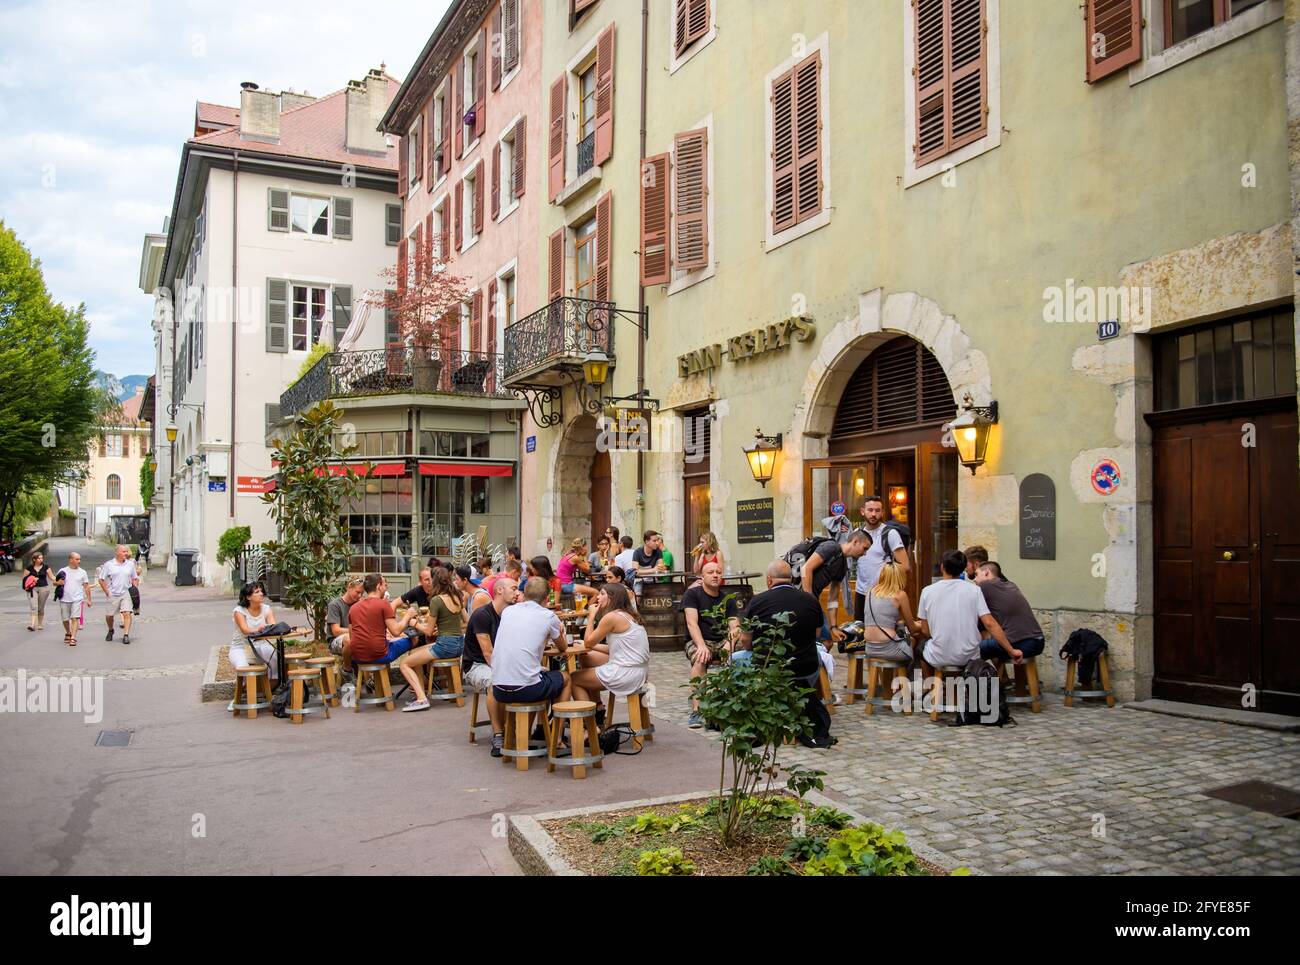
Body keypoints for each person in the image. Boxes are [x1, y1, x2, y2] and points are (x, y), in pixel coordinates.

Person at [737, 560, 833, 748]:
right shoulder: (810, 600)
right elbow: (816, 636)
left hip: (769, 671)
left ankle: (747, 713)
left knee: (736, 660)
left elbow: (745, 641)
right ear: (790, 578)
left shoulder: (757, 602)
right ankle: (810, 706)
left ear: (769, 580)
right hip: (806, 668)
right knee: (820, 656)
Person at [918, 550, 1019, 673]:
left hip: (938, 656)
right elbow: (990, 623)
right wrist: (1011, 650)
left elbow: (925, 630)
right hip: (970, 656)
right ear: (963, 569)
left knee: (920, 648)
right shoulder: (974, 590)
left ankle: (931, 687)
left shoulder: (927, 591)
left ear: (942, 567)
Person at [491, 577, 570, 716]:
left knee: (542, 676)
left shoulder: (508, 612)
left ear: (524, 594)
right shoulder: (548, 616)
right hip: (527, 689)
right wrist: (562, 632)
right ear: (546, 598)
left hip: (498, 689)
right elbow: (563, 648)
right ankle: (557, 735)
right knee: (565, 677)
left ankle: (534, 730)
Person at [399, 567, 469, 711]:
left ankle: (421, 699)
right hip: (459, 645)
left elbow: (429, 631)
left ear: (436, 581)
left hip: (444, 646)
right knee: (414, 653)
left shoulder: (437, 600)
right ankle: (431, 692)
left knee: (404, 664)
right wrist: (451, 626)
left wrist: (413, 623)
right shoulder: (457, 597)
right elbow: (467, 621)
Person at [569, 582, 650, 706]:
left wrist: (591, 616)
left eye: (602, 594)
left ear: (612, 598)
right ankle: (598, 706)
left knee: (573, 679)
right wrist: (590, 646)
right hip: (640, 671)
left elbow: (589, 642)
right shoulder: (629, 615)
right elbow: (618, 648)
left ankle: (588, 722)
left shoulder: (612, 617)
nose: (598, 597)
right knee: (586, 657)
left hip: (626, 673)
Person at [682, 560, 741, 728]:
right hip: (699, 639)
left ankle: (734, 707)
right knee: (700, 659)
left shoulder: (728, 599)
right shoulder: (692, 595)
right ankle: (697, 710)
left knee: (741, 657)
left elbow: (735, 627)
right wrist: (701, 645)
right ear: (702, 576)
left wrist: (730, 644)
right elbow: (692, 623)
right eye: (710, 572)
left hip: (722, 640)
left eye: (718, 572)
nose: (715, 575)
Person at [465, 577, 520, 756]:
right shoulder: (482, 614)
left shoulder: (511, 614)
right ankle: (498, 734)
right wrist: (508, 672)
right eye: (513, 588)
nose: (517, 593)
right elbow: (488, 653)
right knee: (494, 682)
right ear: (499, 591)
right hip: (476, 664)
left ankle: (517, 730)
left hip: (500, 662)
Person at [800, 529, 872, 644]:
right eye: (865, 548)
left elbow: (832, 598)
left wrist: (833, 626)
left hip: (812, 603)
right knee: (810, 642)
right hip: (800, 599)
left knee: (827, 642)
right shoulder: (831, 547)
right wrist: (809, 601)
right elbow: (805, 569)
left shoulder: (843, 566)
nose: (865, 553)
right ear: (855, 541)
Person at [974, 562, 1045, 663]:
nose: (974, 579)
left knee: (970, 650)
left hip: (1022, 643)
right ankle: (998, 678)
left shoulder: (985, 586)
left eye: (977, 574)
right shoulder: (1010, 585)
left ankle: (963, 678)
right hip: (1037, 642)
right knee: (990, 645)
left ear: (986, 573)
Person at [853, 495, 910, 620]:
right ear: (863, 511)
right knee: (861, 633)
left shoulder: (890, 533)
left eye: (877, 511)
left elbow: (905, 566)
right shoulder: (857, 532)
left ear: (883, 512)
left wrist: (887, 582)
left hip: (883, 594)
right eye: (870, 510)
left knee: (883, 633)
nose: (874, 514)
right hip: (861, 593)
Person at [349, 573, 419, 669]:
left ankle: (379, 681)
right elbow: (396, 631)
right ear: (378, 586)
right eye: (384, 585)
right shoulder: (383, 604)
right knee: (414, 639)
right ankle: (412, 672)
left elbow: (351, 635)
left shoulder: (353, 607)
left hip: (357, 656)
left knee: (386, 643)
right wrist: (408, 615)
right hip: (380, 655)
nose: (386, 589)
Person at [862, 561, 922, 662]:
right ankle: (907, 676)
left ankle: (889, 677)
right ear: (900, 577)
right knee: (915, 639)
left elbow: (884, 618)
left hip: (869, 647)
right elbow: (912, 628)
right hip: (889, 648)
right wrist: (924, 624)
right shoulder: (899, 595)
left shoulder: (869, 592)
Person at [230, 581, 279, 682]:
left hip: (261, 645)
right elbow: (245, 630)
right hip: (241, 647)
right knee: (244, 667)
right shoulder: (239, 611)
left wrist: (269, 627)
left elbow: (273, 626)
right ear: (248, 597)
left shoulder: (266, 609)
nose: (261, 594)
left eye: (261, 591)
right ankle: (246, 691)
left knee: (275, 659)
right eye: (257, 592)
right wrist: (260, 628)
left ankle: (272, 690)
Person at [98, 544, 140, 645]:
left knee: (127, 613)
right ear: (117, 553)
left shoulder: (130, 564)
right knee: (109, 616)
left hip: (126, 592)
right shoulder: (109, 564)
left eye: (126, 552)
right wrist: (107, 591)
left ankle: (126, 635)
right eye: (124, 552)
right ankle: (111, 629)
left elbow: (135, 577)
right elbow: (101, 579)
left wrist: (134, 589)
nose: (126, 554)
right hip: (113, 593)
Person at [54, 552, 93, 646]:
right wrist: (58, 583)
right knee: (65, 619)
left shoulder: (82, 572)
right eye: (77, 559)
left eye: (79, 559)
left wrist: (89, 599)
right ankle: (68, 632)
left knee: (75, 618)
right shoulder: (63, 571)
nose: (79, 561)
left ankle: (73, 637)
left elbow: (86, 586)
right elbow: (54, 583)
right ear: (71, 560)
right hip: (64, 598)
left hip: (77, 599)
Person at [327, 577, 364, 671]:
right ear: (349, 587)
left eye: (362, 593)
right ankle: (346, 670)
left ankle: (370, 678)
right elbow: (336, 631)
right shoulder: (335, 605)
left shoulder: (359, 604)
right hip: (336, 641)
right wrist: (356, 631)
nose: (360, 596)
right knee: (348, 639)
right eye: (357, 592)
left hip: (357, 637)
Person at [24, 550, 52, 632]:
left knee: (40, 608)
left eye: (42, 558)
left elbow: (52, 577)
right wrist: (32, 579)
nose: (41, 560)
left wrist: (59, 581)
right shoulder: (29, 568)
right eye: (39, 558)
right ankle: (32, 625)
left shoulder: (46, 567)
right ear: (34, 559)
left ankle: (40, 624)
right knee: (34, 607)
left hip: (44, 588)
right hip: (32, 589)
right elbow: (24, 579)